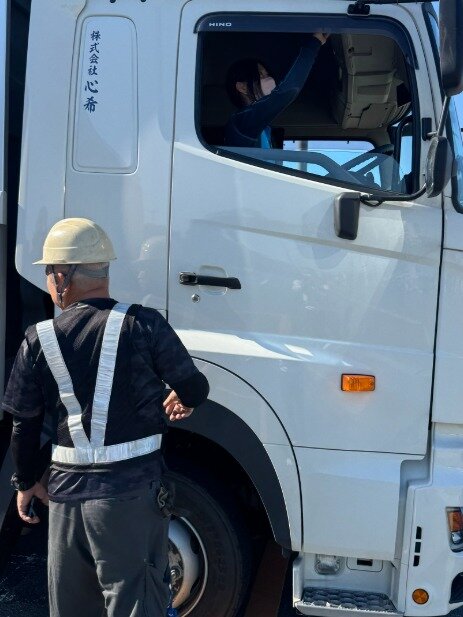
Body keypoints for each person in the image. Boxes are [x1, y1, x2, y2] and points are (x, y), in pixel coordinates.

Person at [2, 217, 209, 617]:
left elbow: (23, 424)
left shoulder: (37, 339)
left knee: (72, 607)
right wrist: (182, 399)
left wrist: (26, 482)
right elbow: (195, 387)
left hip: (65, 499)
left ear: (62, 276)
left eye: (48, 272)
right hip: (129, 498)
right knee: (135, 602)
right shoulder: (144, 325)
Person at [224, 32, 329, 148]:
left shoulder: (263, 128)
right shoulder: (242, 120)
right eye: (261, 75)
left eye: (267, 74)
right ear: (242, 87)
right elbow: (287, 91)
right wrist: (314, 43)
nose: (269, 79)